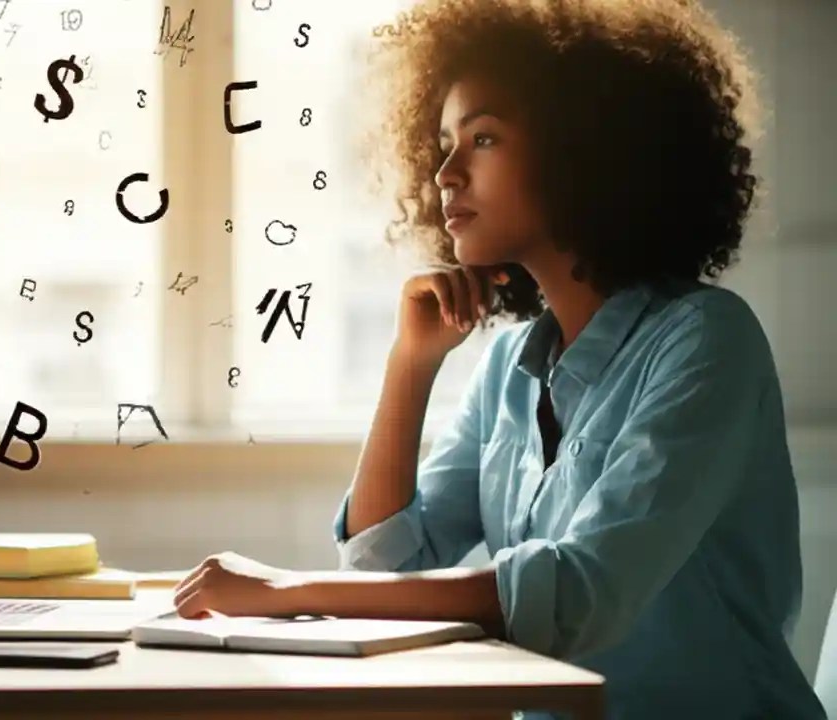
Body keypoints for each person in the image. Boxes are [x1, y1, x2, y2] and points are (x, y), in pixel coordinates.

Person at [170, 0, 828, 718]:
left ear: (585, 150)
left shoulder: (706, 339)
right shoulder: (510, 365)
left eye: (482, 138)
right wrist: (412, 363)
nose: (446, 172)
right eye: (444, 143)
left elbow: (580, 595)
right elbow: (383, 567)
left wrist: (283, 592)